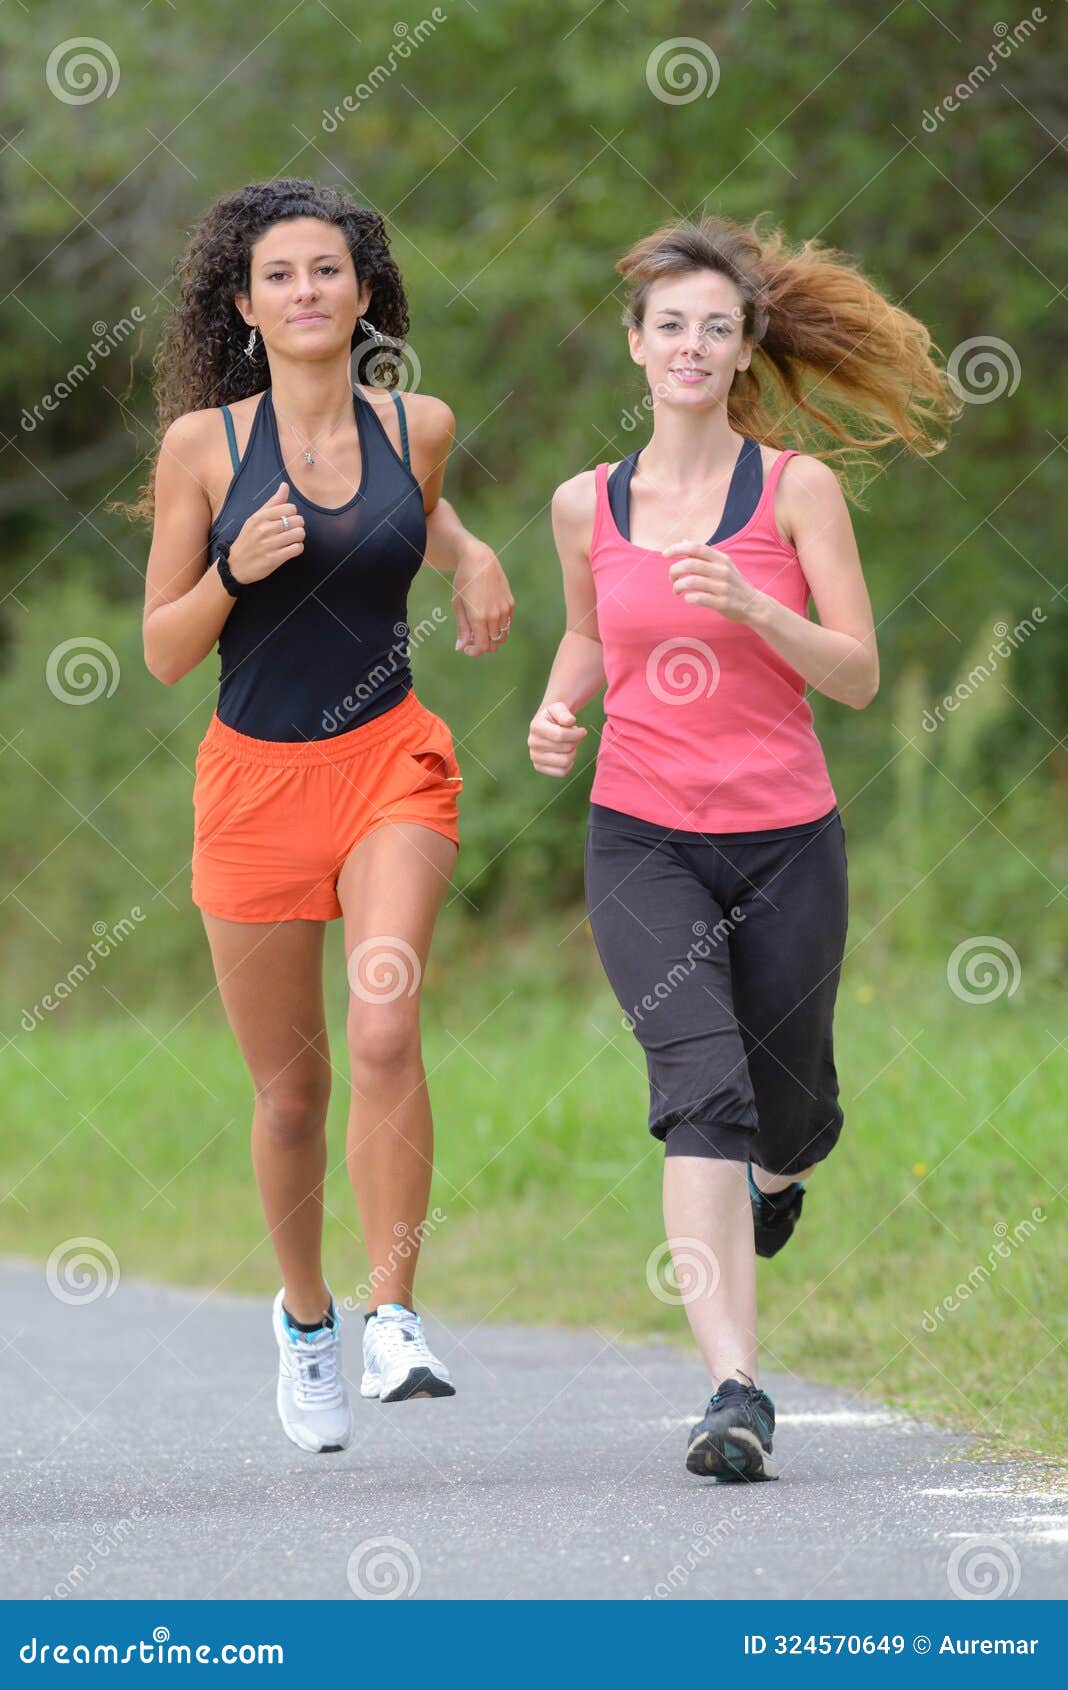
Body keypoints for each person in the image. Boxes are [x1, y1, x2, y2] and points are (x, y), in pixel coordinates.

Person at [530, 214, 960, 1482]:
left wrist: (758, 604)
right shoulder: (584, 503)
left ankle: (784, 1170)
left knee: (788, 1104)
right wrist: (562, 710)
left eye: (717, 327)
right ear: (636, 345)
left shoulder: (795, 491)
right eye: (671, 325)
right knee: (700, 1092)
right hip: (642, 838)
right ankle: (733, 1391)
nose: (693, 346)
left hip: (786, 840)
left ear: (742, 347)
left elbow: (862, 674)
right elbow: (590, 638)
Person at [136, 179, 513, 1454]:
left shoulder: (421, 424)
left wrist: (480, 556)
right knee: (289, 1097)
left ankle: (391, 1311)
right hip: (252, 783)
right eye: (281, 275)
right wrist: (232, 573)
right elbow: (162, 652)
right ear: (244, 305)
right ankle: (306, 1320)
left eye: (329, 270)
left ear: (364, 293)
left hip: (388, 761)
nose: (307, 291)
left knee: (387, 1020)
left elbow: (413, 513)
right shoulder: (202, 449)